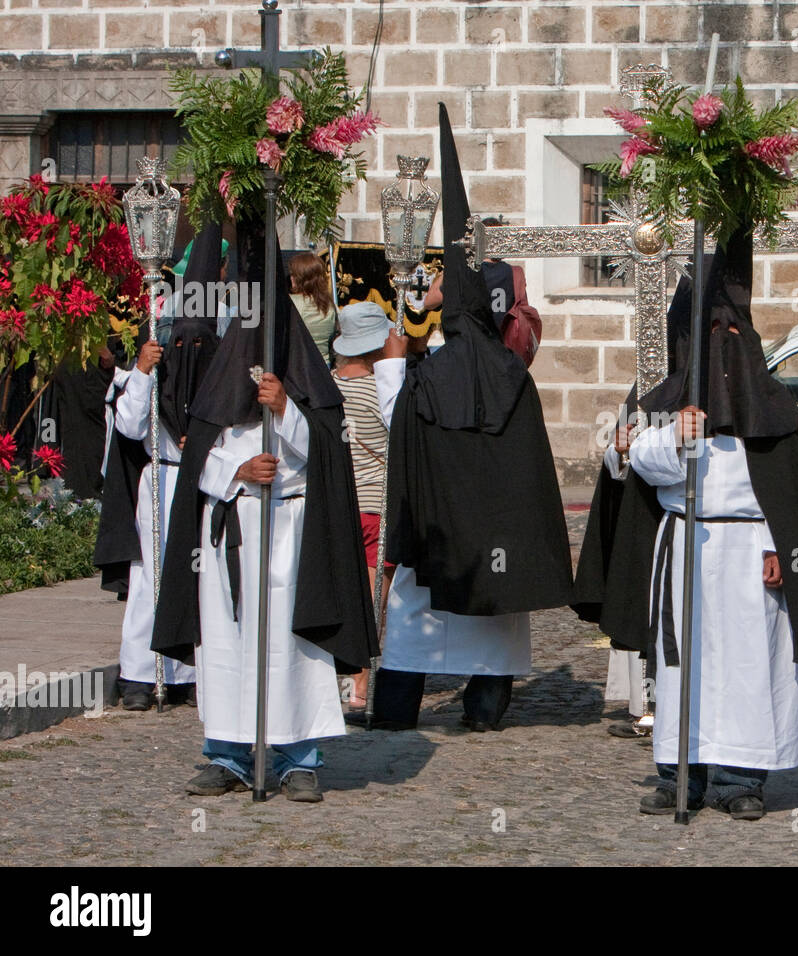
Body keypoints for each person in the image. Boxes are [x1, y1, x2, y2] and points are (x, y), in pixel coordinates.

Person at [357, 105, 573, 733]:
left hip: (438, 540)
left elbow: (398, 427)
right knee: (492, 636)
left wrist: (394, 366)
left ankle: (394, 717)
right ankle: (484, 712)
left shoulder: (428, 375)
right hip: (495, 545)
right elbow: (530, 471)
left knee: (413, 631)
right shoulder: (515, 380)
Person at [616, 225, 798, 820]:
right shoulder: (666, 402)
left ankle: (743, 777)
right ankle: (680, 773)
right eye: (707, 331)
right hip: (684, 543)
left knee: (748, 664)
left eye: (728, 331)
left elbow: (786, 494)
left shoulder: (767, 405)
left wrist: (775, 546)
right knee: (682, 661)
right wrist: (675, 438)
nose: (719, 342)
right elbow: (637, 463)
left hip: (746, 551)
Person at [152, 226, 377, 803]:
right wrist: (237, 469)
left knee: (290, 646)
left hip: (292, 531)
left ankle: (298, 756)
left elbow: (330, 454)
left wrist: (289, 413)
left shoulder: (311, 387)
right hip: (231, 528)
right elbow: (196, 456)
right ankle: (225, 752)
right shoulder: (219, 384)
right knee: (227, 647)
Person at [94, 226, 226, 710]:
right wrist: (145, 373)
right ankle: (137, 676)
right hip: (160, 477)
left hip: (199, 481)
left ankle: (184, 675)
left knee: (194, 579)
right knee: (150, 580)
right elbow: (129, 429)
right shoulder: (149, 375)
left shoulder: (213, 378)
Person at [572, 400, 657, 738]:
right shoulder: (649, 385)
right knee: (644, 613)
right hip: (647, 520)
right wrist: (619, 451)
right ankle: (647, 707)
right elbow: (616, 465)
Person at [331, 301, 396, 711]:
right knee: (373, 606)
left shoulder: (322, 385)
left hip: (336, 506)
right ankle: (360, 688)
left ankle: (334, 681)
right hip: (376, 506)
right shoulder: (381, 389)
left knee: (337, 597)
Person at [423, 217, 541, 367]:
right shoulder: (515, 273)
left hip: (470, 354)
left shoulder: (465, 273)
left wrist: (453, 265)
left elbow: (430, 302)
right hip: (501, 354)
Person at [289, 252, 338, 366]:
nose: (291, 278)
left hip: (300, 366)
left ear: (299, 278)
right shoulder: (331, 305)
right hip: (324, 365)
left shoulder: (292, 303)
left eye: (293, 274)